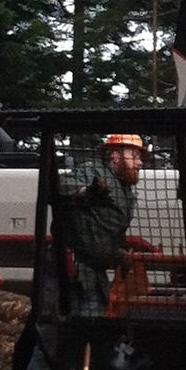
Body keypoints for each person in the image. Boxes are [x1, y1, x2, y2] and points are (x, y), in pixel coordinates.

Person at [56, 128, 145, 314]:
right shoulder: (92, 171)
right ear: (115, 156)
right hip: (75, 274)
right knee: (79, 329)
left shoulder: (125, 190)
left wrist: (116, 252)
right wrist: (85, 192)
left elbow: (104, 230)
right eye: (134, 156)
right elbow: (58, 185)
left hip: (95, 276)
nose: (140, 162)